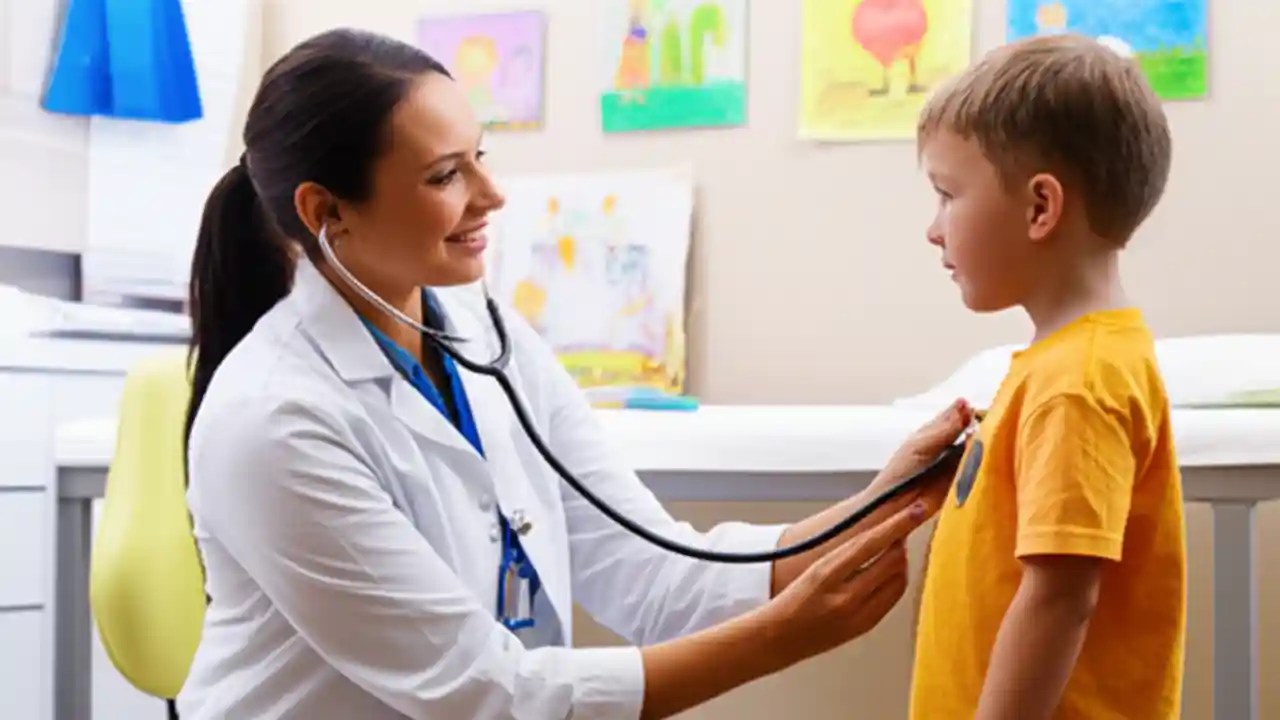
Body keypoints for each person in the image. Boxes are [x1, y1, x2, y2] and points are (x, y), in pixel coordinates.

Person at [179, 28, 969, 719]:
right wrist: (782, 637)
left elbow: (655, 572)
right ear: (327, 212)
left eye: (479, 156)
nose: (493, 194)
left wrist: (874, 508)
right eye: (445, 176)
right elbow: (487, 695)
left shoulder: (488, 336)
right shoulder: (273, 419)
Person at [910, 34, 1186, 720]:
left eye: (947, 195)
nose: (933, 230)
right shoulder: (1064, 365)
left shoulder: (1078, 383)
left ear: (1040, 208)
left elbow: (1060, 598)